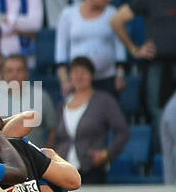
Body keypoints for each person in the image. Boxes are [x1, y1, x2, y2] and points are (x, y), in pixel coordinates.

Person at [52, 56, 131, 184]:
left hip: (91, 169)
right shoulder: (62, 104)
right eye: (75, 73)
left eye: (84, 72)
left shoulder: (104, 101)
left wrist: (106, 154)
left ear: (92, 76)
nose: (79, 76)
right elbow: (56, 135)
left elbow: (123, 131)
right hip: (64, 171)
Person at [55, 0, 126, 97]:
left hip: (107, 77)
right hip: (78, 78)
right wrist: (64, 79)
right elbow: (61, 46)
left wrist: (120, 74)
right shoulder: (68, 14)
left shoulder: (112, 12)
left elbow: (119, 44)